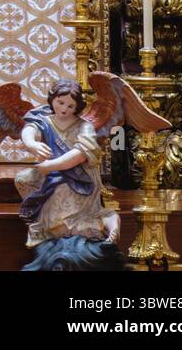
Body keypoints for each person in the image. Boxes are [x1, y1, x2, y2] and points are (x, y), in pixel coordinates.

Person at [15, 79, 119, 248]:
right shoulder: (44, 120)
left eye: (70, 106)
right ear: (52, 99)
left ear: (77, 107)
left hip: (78, 176)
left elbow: (79, 155)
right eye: (60, 102)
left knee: (60, 200)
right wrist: (32, 144)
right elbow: (29, 129)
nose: (64, 109)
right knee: (23, 179)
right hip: (52, 172)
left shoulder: (84, 127)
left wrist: (52, 166)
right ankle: (40, 221)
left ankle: (104, 221)